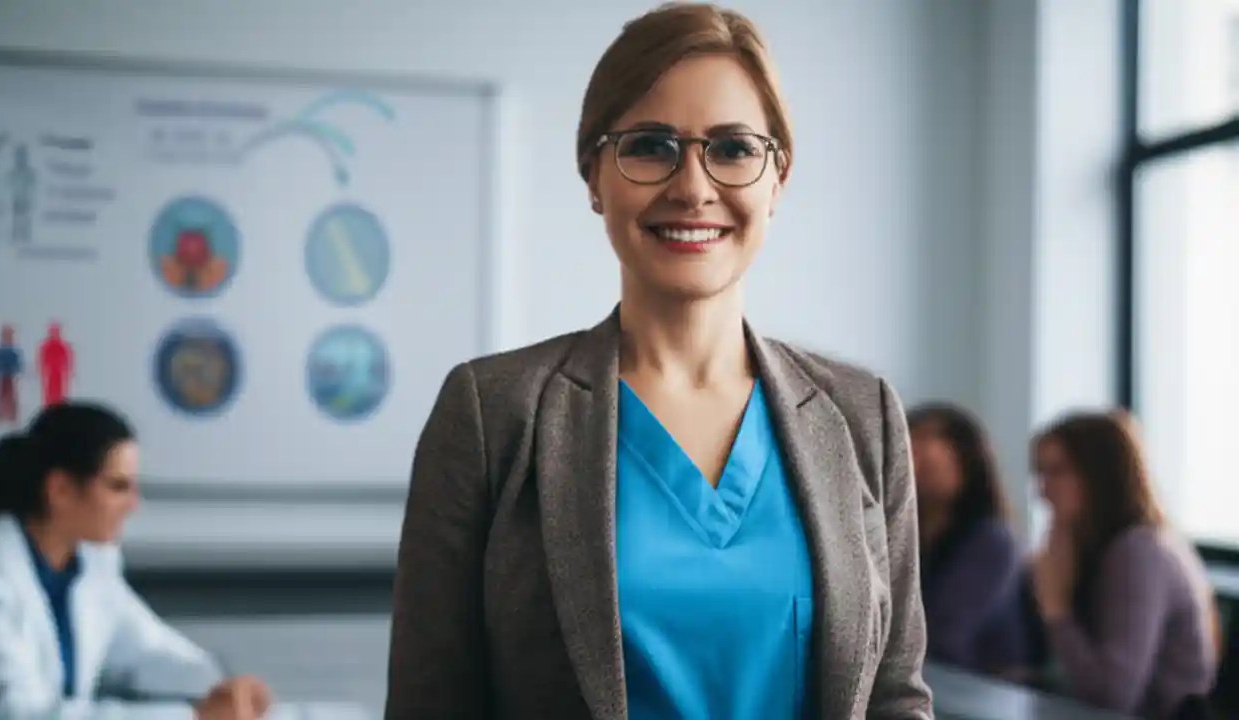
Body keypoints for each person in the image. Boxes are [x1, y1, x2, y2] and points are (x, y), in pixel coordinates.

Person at [386, 4, 933, 719]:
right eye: (650, 146)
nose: (693, 187)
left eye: (733, 149)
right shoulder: (493, 414)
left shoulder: (864, 416)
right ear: (594, 175)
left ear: (779, 179)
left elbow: (895, 695)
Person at [0, 402, 272, 720]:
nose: (133, 505)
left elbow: (148, 650)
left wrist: (220, 686)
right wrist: (190, 716)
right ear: (61, 489)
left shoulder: (93, 563)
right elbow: (17, 714)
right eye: (118, 487)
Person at [1030, 411, 1219, 719]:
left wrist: (1056, 607)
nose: (1042, 490)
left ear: (1101, 475)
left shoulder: (1139, 552)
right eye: (1040, 473)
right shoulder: (1097, 547)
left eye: (1057, 472)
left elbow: (1112, 697)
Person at [908, 404, 1028, 677]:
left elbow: (945, 636)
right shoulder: (900, 539)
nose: (918, 450)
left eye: (932, 437)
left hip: (978, 694)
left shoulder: (992, 540)